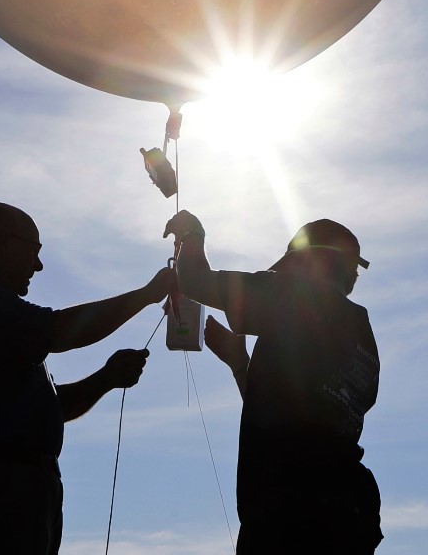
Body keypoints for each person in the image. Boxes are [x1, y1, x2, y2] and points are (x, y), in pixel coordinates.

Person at [0, 202, 175, 555]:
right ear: (4, 244)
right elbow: (58, 332)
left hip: (10, 495)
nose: (38, 266)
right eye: (34, 251)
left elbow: (50, 408)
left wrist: (106, 378)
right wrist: (146, 296)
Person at [163, 209, 382, 554]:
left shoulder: (293, 295)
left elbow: (193, 280)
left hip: (287, 518)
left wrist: (192, 234)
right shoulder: (362, 337)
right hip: (347, 516)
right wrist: (240, 364)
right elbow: (288, 411)